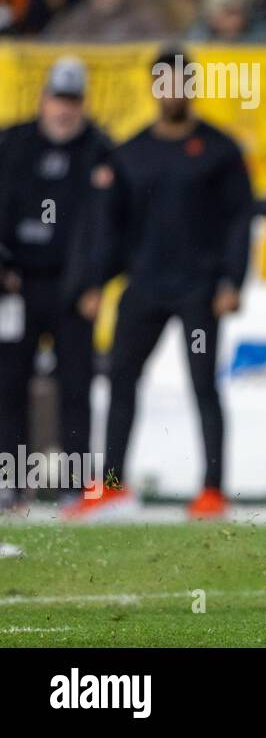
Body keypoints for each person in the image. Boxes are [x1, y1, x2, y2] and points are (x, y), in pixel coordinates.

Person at [64, 46, 253, 519]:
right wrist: (94, 283)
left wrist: (232, 280)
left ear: (191, 86)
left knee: (203, 384)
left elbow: (238, 221)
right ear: (153, 88)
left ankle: (212, 490)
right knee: (122, 380)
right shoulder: (130, 154)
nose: (172, 91)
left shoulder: (220, 150)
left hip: (199, 288)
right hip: (144, 286)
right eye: (163, 82)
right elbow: (112, 230)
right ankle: (111, 485)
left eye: (180, 81)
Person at [0, 57, 111, 509]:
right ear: (43, 99)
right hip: (15, 285)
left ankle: (73, 483)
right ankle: (11, 479)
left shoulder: (99, 149)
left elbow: (109, 225)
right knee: (8, 383)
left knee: (75, 384)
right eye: (57, 99)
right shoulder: (12, 144)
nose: (63, 110)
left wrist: (95, 282)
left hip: (71, 289)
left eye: (72, 101)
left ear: (82, 104)